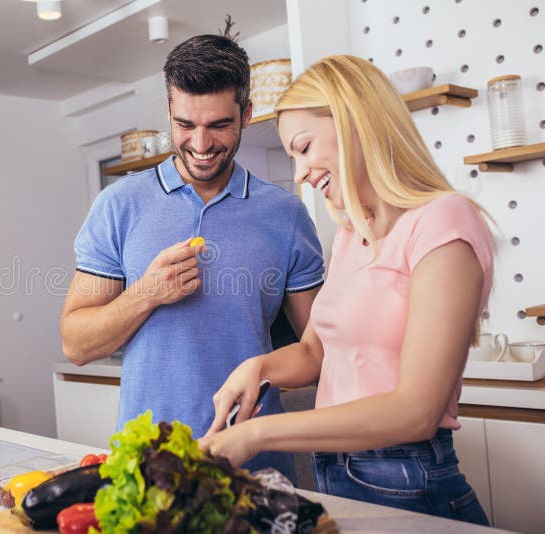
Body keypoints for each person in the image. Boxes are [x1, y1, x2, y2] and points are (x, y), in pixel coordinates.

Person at [198, 54, 493, 525]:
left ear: (354, 120)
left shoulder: (443, 220)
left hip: (408, 479)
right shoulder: (353, 235)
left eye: (304, 147)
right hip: (336, 474)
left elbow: (416, 410)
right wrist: (259, 367)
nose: (299, 174)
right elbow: (316, 352)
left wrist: (257, 435)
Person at [60, 33, 325, 477]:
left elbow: (321, 352)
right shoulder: (119, 205)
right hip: (147, 460)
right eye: (185, 125)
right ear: (169, 113)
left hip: (254, 459)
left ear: (247, 114)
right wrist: (145, 294)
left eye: (219, 125)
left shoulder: (285, 214)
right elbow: (76, 343)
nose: (201, 144)